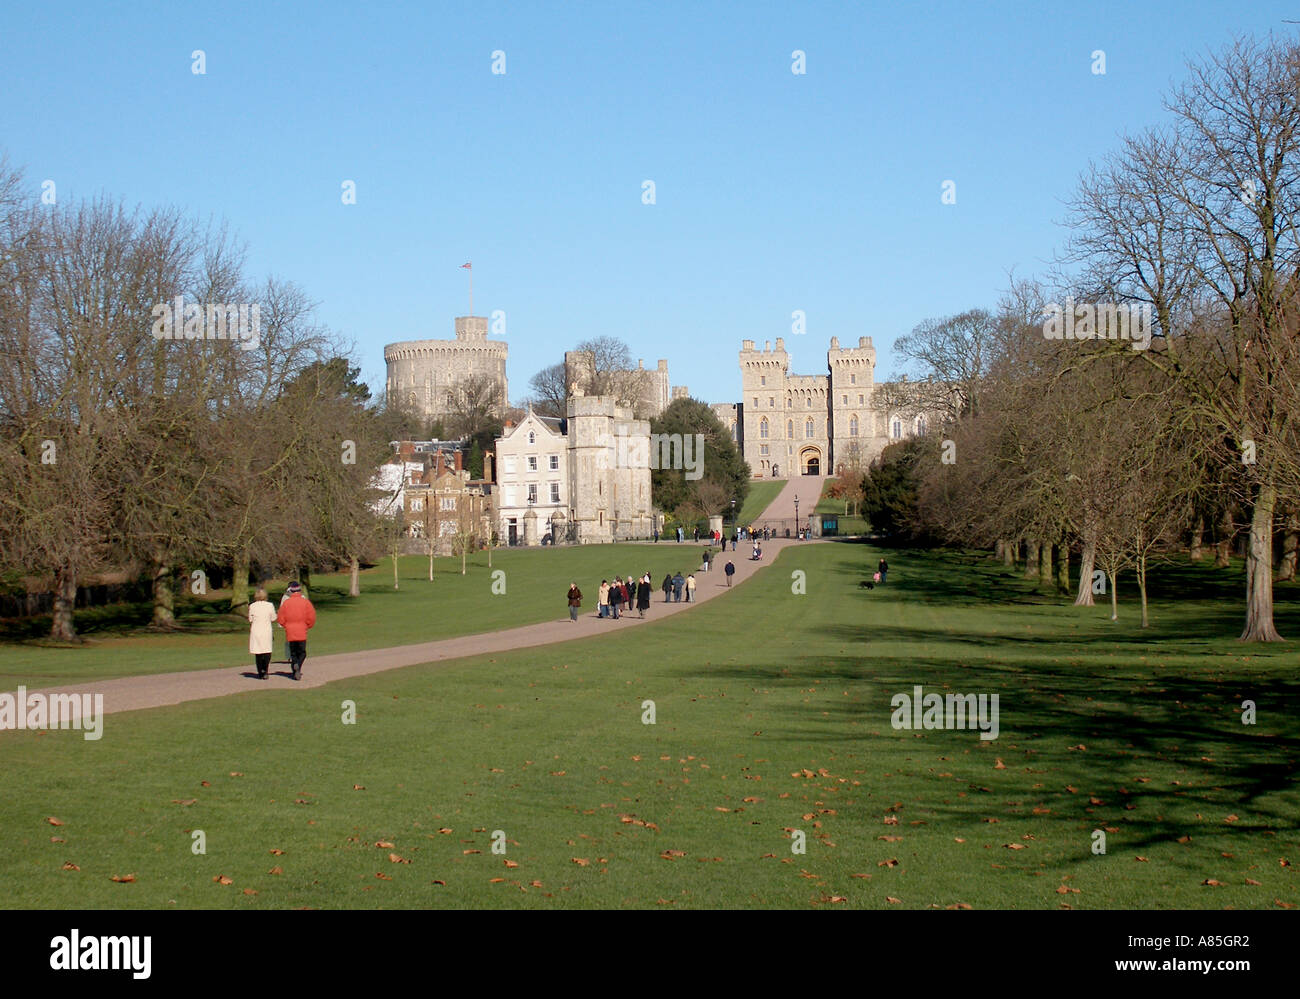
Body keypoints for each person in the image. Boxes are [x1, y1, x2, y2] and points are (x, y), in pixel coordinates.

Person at [277, 581, 316, 681]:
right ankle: (297, 665)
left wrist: (286, 625)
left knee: (293, 652)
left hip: (290, 630)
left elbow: (280, 618)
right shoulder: (305, 602)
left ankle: (295, 667)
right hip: (302, 630)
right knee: (302, 652)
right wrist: (308, 626)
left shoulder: (286, 603)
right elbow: (311, 617)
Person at [247, 588, 277, 679]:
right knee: (267, 651)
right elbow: (273, 618)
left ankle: (260, 671)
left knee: (258, 652)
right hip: (266, 630)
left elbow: (250, 619)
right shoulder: (270, 605)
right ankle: (265, 670)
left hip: (256, 630)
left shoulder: (252, 606)